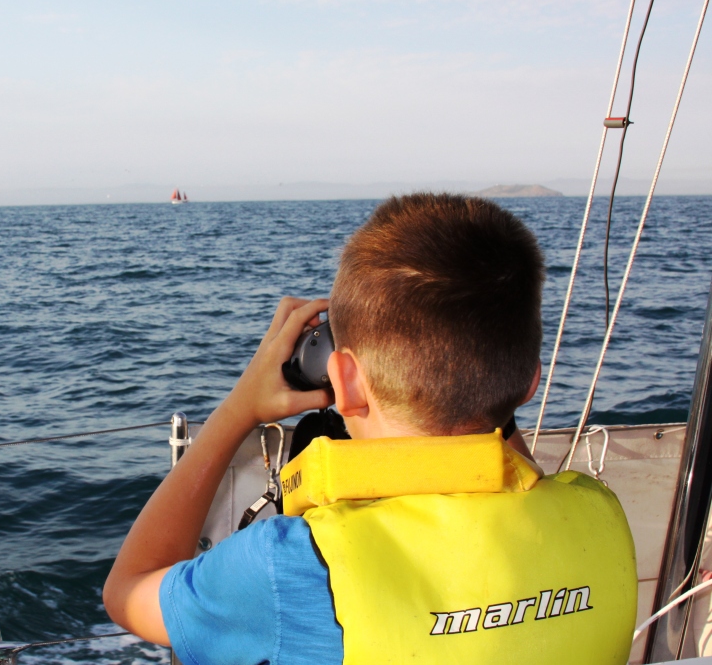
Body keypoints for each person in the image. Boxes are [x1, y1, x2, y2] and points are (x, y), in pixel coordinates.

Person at [103, 193, 637, 664]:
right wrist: (486, 388)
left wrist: (240, 407)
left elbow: (126, 591)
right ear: (527, 384)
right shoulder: (600, 514)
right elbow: (514, 481)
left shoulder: (290, 566)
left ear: (345, 380)